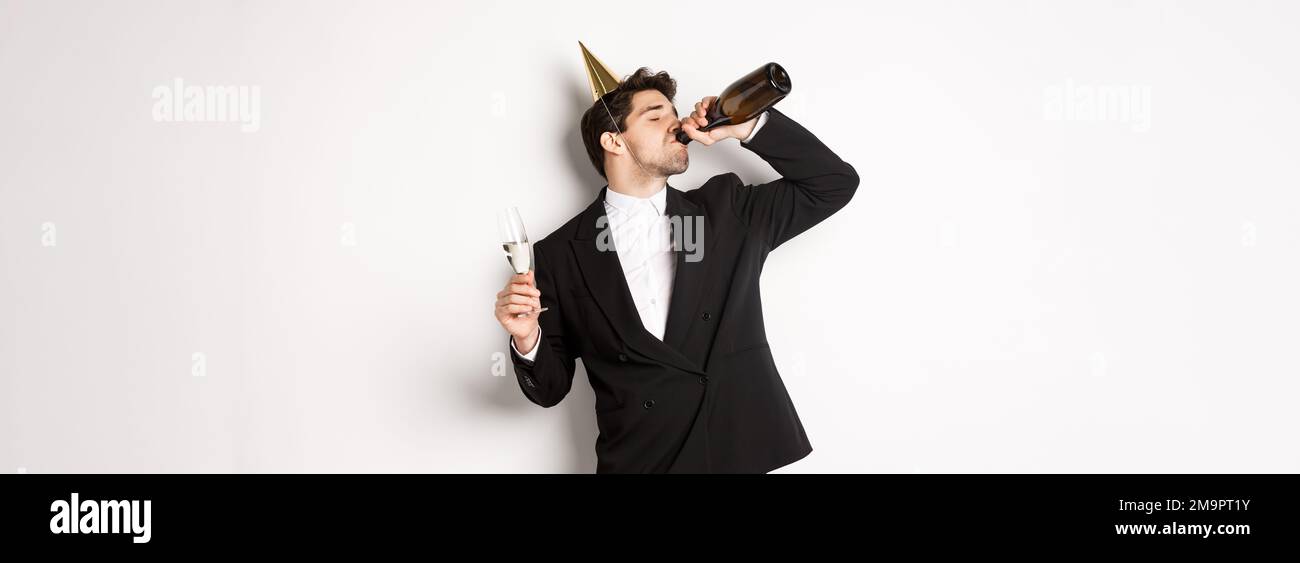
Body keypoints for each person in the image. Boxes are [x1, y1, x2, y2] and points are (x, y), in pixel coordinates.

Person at [494, 66, 858, 473]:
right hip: (641, 460)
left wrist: (746, 127)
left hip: (736, 452)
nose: (678, 123)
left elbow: (834, 183)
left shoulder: (726, 211)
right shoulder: (559, 253)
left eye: (674, 112)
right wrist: (527, 339)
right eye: (655, 115)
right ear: (613, 140)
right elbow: (549, 389)